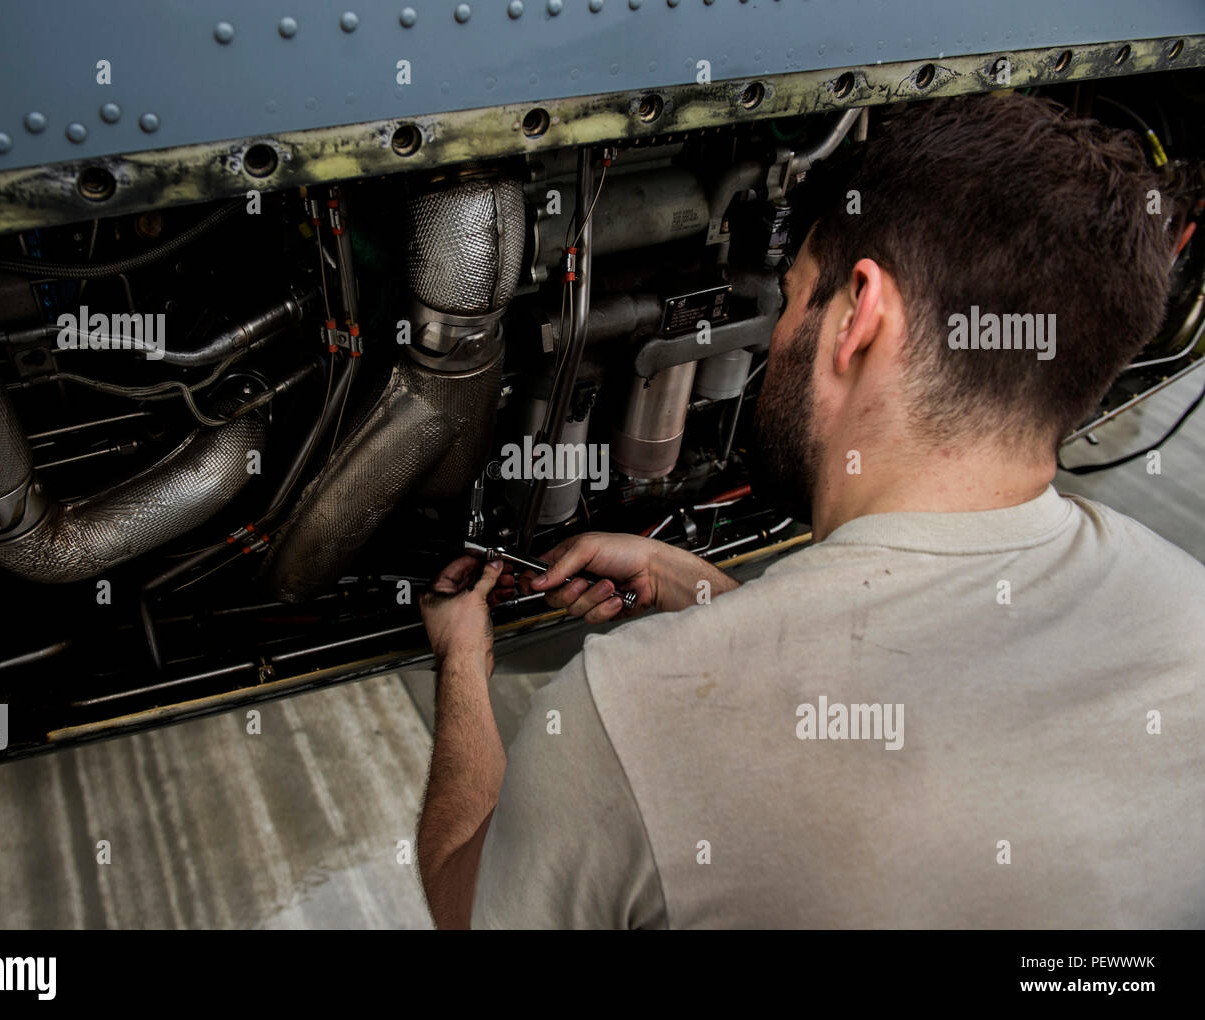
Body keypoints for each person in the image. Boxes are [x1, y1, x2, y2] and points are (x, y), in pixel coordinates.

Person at [416, 93, 1205, 929]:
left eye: (790, 298)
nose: (776, 331)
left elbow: (468, 901)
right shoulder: (1187, 611)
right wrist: (714, 597)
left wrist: (463, 661)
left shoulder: (634, 715)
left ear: (859, 317)